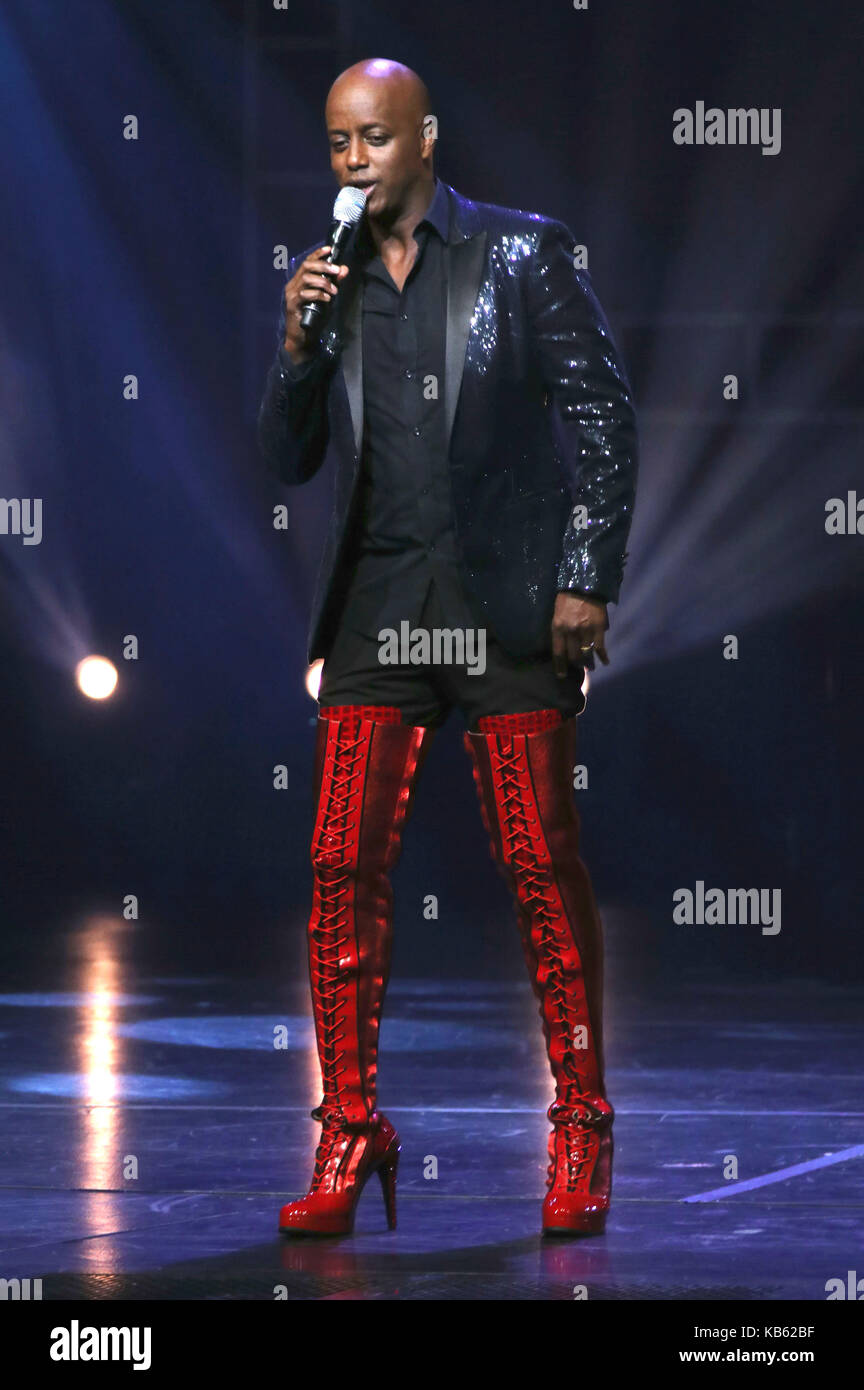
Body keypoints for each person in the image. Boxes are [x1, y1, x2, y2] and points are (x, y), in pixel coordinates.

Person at [257, 57, 638, 1238]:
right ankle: (351, 1121)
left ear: (425, 139)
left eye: (371, 137)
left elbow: (602, 416)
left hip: (509, 603)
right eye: (335, 143)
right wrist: (297, 346)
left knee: (539, 864)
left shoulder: (525, 253)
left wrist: (586, 575)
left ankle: (580, 1115)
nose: (352, 160)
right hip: (378, 604)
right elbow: (288, 458)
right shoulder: (331, 284)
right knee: (337, 870)